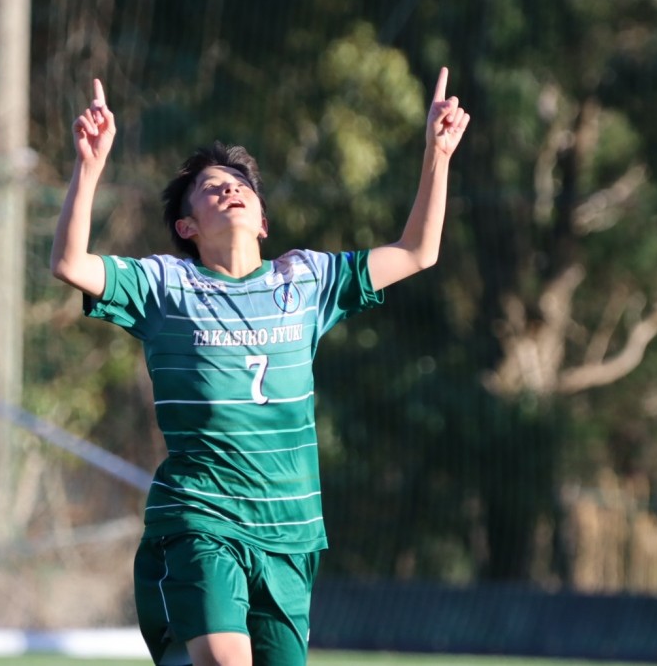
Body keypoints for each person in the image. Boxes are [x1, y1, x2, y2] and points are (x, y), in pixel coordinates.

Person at [51, 69, 468, 666]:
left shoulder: (308, 280)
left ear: (263, 221)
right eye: (210, 188)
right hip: (202, 519)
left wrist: (438, 154)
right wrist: (89, 167)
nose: (229, 190)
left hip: (291, 531)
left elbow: (417, 251)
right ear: (186, 227)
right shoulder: (165, 286)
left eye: (238, 185)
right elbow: (70, 263)